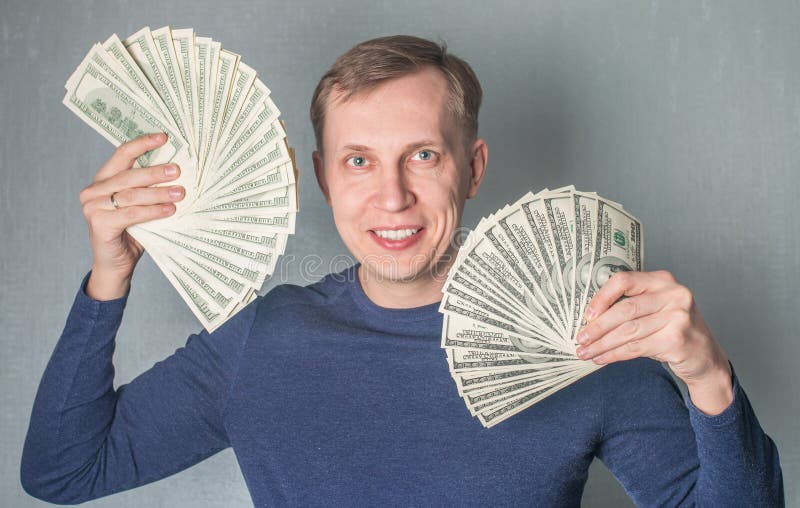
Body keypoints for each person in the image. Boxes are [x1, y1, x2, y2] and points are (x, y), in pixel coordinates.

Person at [21, 35, 783, 507]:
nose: (392, 197)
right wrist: (108, 277)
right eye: (360, 161)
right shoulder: (262, 340)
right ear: (323, 177)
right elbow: (63, 470)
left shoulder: (586, 338)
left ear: (473, 167)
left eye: (422, 154)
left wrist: (710, 381)